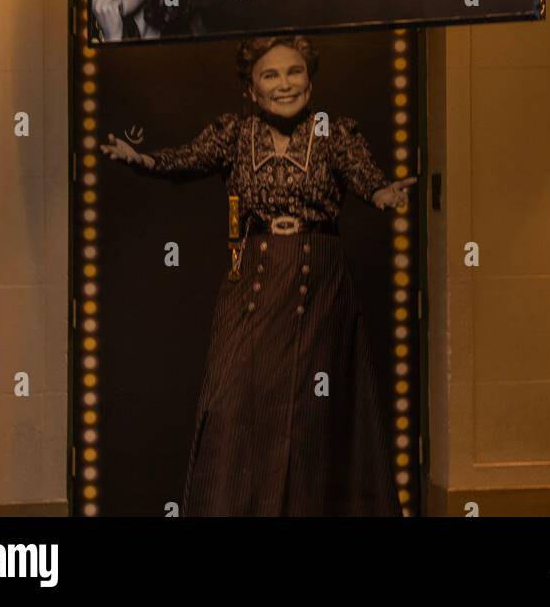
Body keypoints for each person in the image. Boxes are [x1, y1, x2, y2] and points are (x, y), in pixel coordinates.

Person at [101, 35, 416, 516]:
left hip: (319, 284)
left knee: (312, 414)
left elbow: (364, 175)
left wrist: (381, 194)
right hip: (254, 280)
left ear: (310, 81)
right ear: (251, 89)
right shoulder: (235, 133)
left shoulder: (333, 132)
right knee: (233, 406)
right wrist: (143, 159)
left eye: (294, 72)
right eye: (270, 75)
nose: (285, 84)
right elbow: (187, 160)